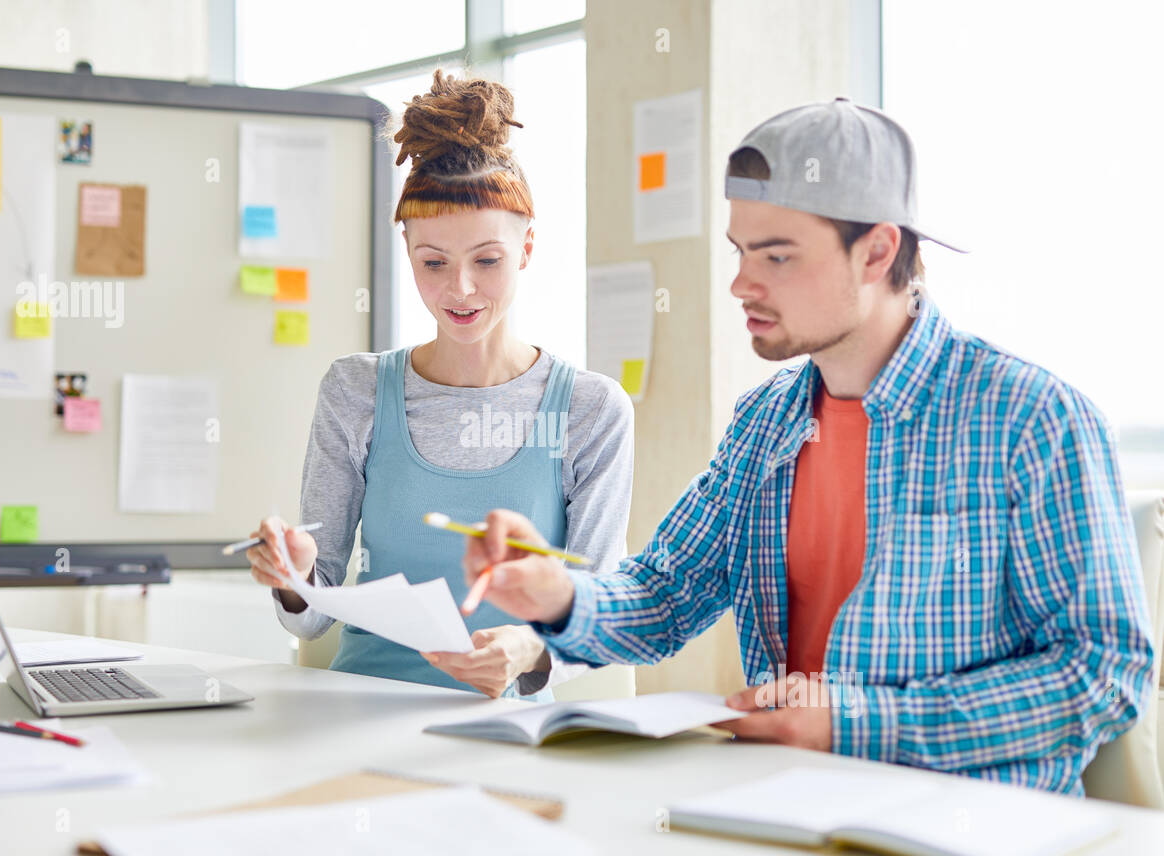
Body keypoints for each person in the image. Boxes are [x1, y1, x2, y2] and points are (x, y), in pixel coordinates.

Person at [459, 98, 1153, 794]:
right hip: (784, 806)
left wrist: (852, 721)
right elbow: (666, 594)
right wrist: (558, 595)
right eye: (740, 252)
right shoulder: (765, 422)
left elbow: (1102, 674)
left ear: (877, 251)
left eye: (778, 256)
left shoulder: (1032, 420)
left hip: (977, 832)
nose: (740, 284)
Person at [246, 70, 634, 701]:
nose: (460, 290)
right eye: (434, 262)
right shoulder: (356, 390)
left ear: (527, 249)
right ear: (408, 252)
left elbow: (597, 609)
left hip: (502, 726)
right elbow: (315, 612)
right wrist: (294, 578)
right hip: (355, 711)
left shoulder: (592, 410)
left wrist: (528, 651)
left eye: (487, 260)